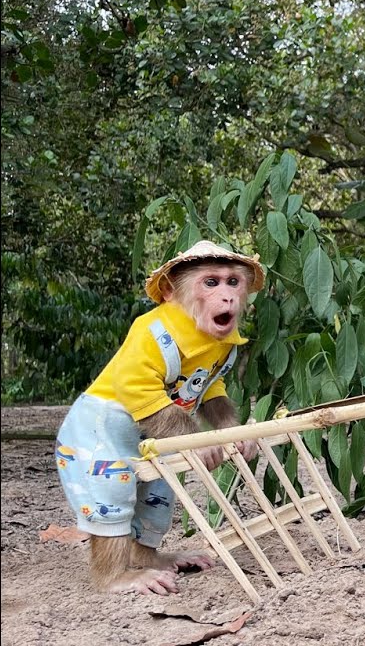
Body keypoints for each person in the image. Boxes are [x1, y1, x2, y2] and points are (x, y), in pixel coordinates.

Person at [54, 240, 264, 594]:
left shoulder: (220, 340)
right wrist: (189, 439)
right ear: (171, 292)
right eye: (210, 282)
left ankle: (145, 556)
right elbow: (134, 386)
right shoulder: (154, 330)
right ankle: (111, 575)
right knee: (113, 494)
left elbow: (209, 387)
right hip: (98, 428)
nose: (226, 295)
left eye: (233, 282)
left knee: (158, 488)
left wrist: (229, 429)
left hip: (151, 430)